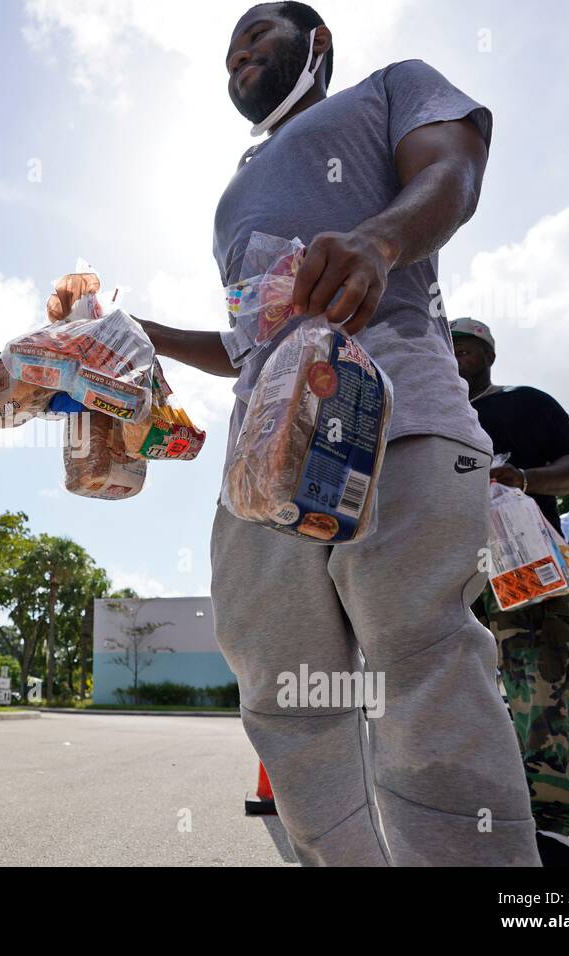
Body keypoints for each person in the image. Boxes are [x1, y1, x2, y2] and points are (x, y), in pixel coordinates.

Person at [134, 2, 541, 865]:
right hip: (263, 464)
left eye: (257, 39)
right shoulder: (232, 195)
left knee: (420, 666)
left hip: (397, 413)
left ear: (315, 41)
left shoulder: (392, 89)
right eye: (228, 52)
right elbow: (251, 340)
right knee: (285, 698)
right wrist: (149, 336)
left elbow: (453, 173)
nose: (237, 59)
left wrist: (379, 241)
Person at [451, 317, 569, 867]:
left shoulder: (524, 403)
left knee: (541, 684)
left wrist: (525, 480)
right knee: (457, 696)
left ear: (490, 355)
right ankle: (475, 813)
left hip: (523, 565)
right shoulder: (422, 416)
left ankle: (550, 832)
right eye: (450, 348)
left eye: (470, 349)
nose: (459, 356)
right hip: (445, 573)